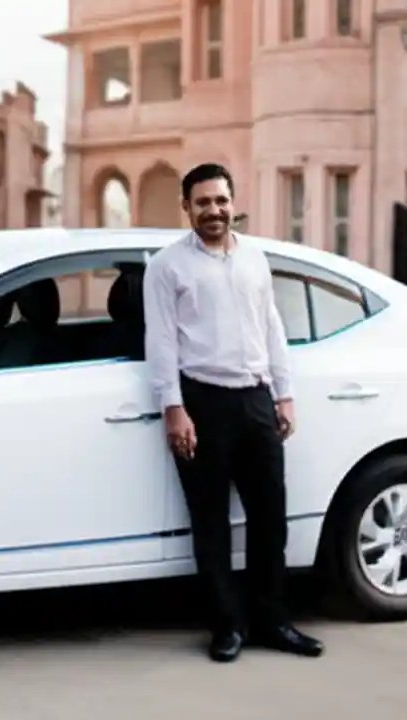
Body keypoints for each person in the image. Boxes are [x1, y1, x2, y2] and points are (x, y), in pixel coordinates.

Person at [142, 162, 324, 663]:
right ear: (187, 208)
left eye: (221, 201)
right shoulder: (167, 267)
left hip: (256, 400)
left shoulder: (255, 259)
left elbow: (272, 328)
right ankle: (227, 628)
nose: (214, 210)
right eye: (202, 202)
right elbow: (159, 343)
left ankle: (273, 622)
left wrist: (283, 394)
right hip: (203, 402)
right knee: (211, 522)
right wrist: (174, 409)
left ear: (232, 202)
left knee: (270, 519)